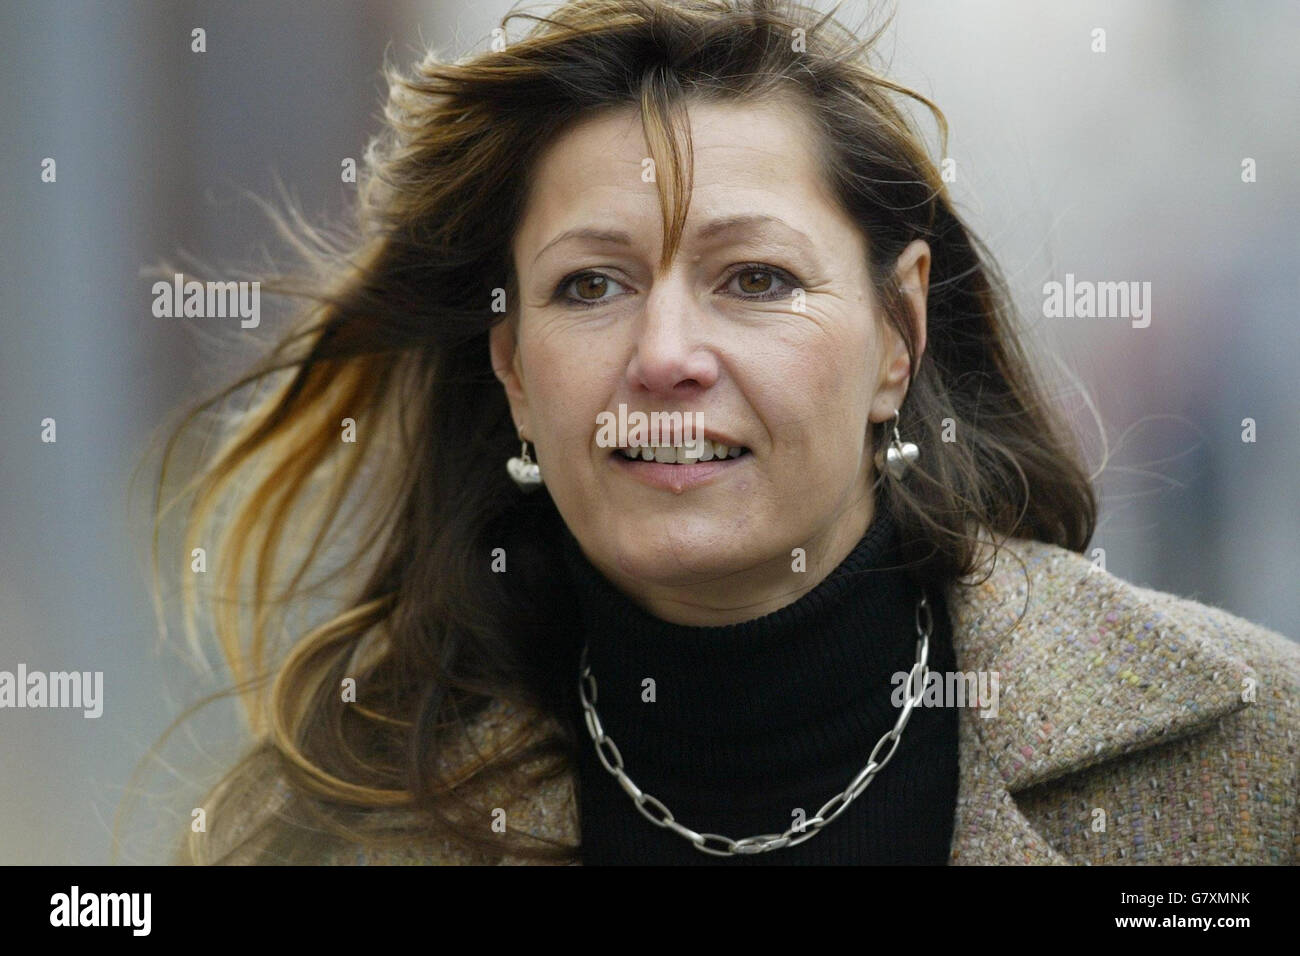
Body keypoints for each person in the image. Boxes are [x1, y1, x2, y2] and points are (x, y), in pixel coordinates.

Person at [151, 0, 1298, 865]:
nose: (663, 354)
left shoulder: (1253, 755)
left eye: (753, 277)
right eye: (590, 286)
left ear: (896, 335)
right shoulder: (337, 831)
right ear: (511, 372)